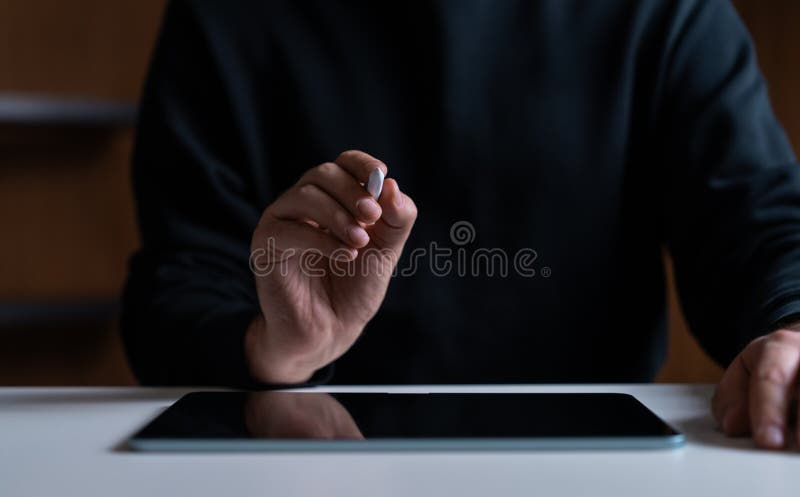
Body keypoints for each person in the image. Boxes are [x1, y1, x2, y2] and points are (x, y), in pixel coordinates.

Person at [121, 0, 800, 450]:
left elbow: (758, 220)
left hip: (593, 468)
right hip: (300, 469)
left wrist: (795, 324)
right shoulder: (225, 15)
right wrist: (272, 346)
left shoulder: (664, 11)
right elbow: (176, 283)